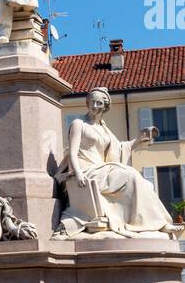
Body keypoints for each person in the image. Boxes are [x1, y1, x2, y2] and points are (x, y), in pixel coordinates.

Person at [54, 87, 179, 239]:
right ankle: (158, 224)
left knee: (144, 183)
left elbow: (119, 149)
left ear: (105, 106)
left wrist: (138, 140)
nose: (94, 106)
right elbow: (72, 152)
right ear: (87, 102)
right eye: (92, 102)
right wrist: (78, 173)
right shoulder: (79, 123)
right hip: (87, 171)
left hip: (102, 168)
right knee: (131, 176)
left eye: (99, 103)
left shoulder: (104, 129)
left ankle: (160, 223)